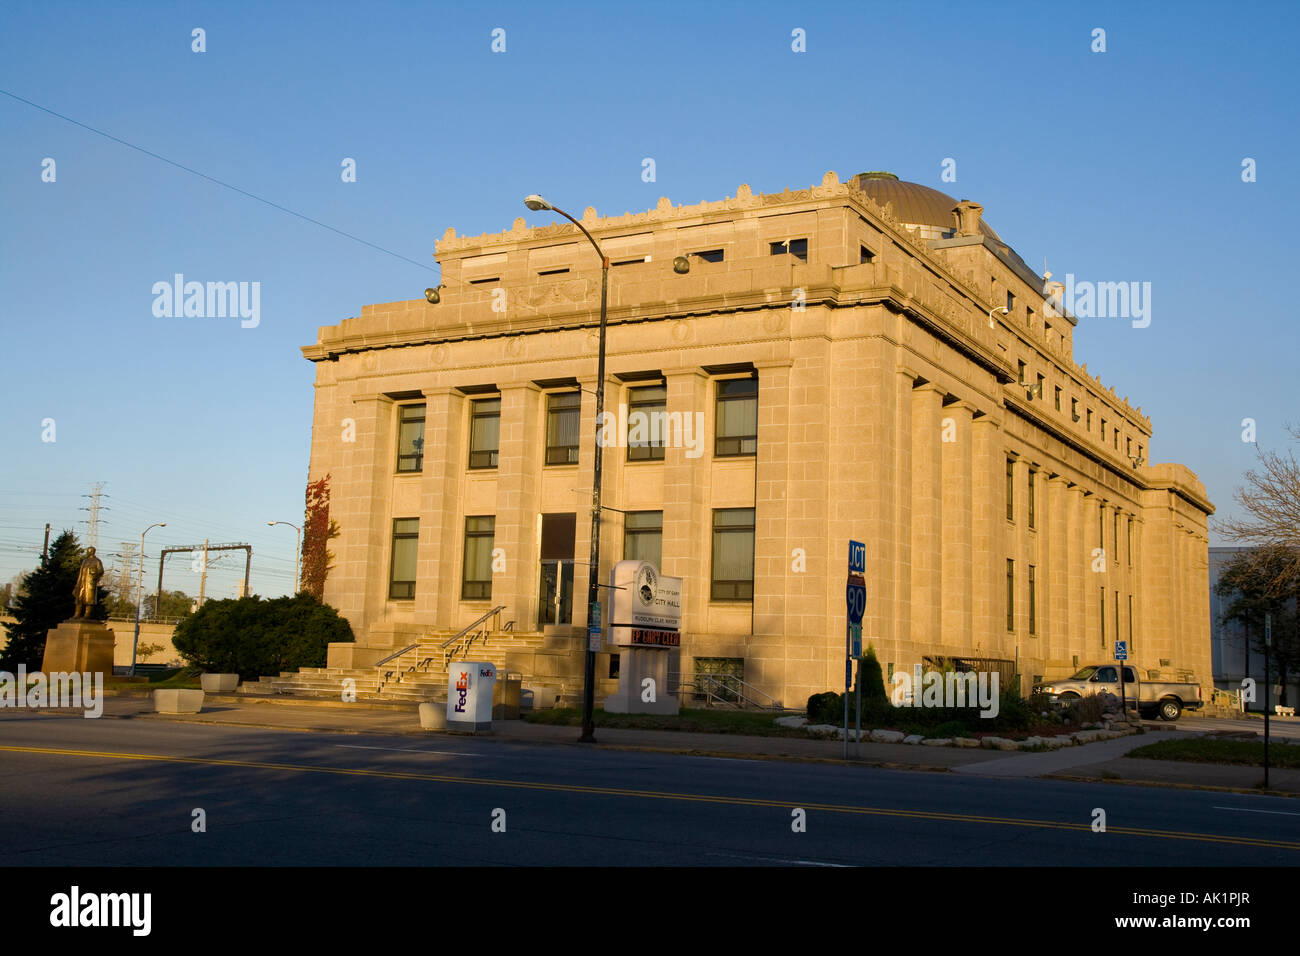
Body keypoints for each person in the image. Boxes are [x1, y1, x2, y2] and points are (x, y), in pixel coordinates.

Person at [73, 547, 104, 619]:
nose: (88, 552)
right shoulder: (85, 561)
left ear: (93, 552)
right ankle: (77, 614)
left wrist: (94, 573)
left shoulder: (97, 561)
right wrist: (78, 583)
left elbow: (101, 571)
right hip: (82, 582)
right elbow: (80, 572)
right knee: (79, 598)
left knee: (89, 599)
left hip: (90, 582)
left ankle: (87, 614)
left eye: (90, 551)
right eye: (88, 551)